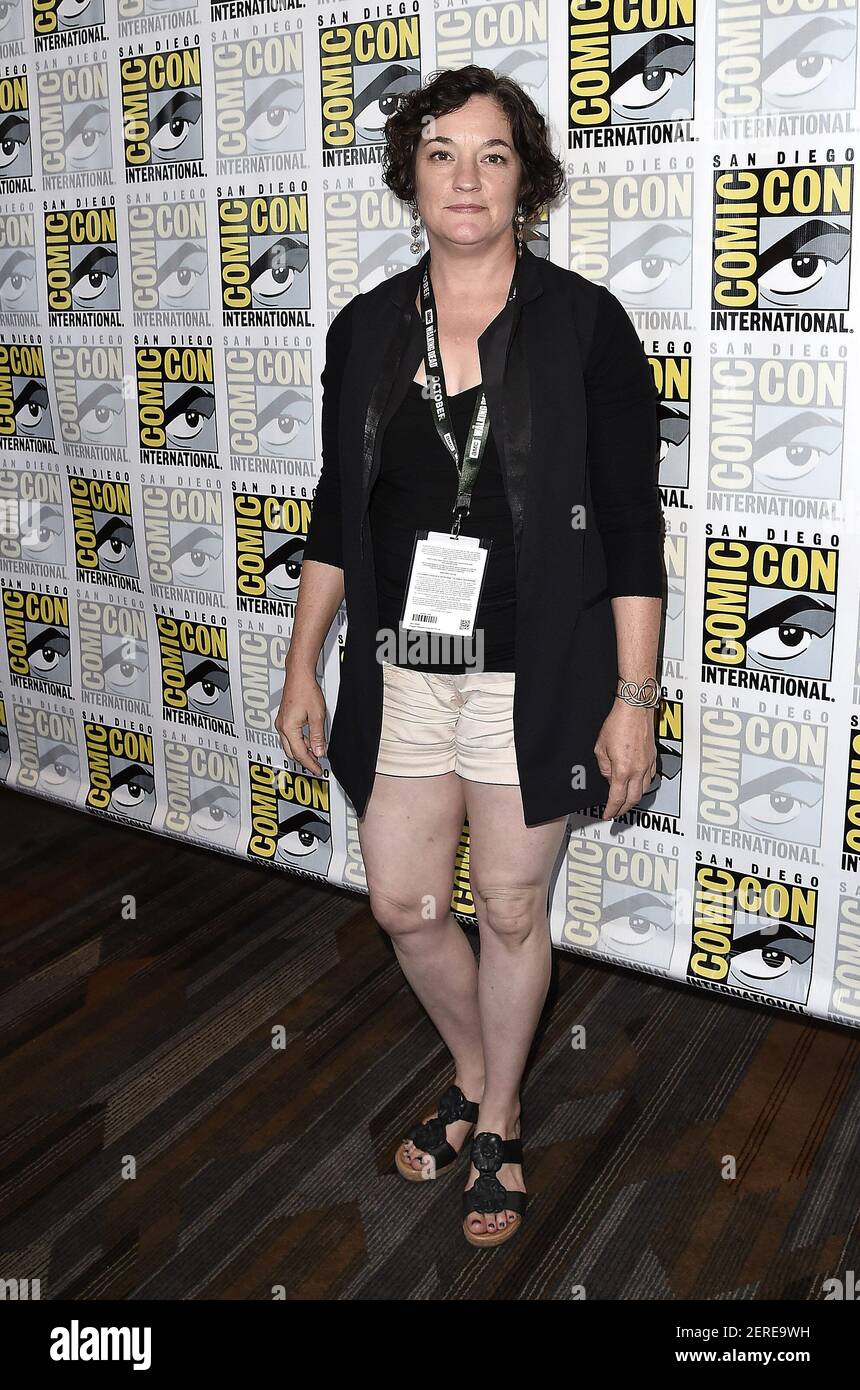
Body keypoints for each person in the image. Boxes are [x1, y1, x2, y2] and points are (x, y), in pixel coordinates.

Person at [276, 65, 665, 1248]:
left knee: (505, 903)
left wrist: (632, 697)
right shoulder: (365, 327)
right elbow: (339, 514)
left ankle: (492, 1116)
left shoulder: (582, 322)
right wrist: (303, 660)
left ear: (524, 181)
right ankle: (468, 1066)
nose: (464, 176)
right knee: (402, 899)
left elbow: (631, 523)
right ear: (410, 176)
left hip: (535, 667)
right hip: (402, 666)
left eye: (490, 155)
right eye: (440, 151)